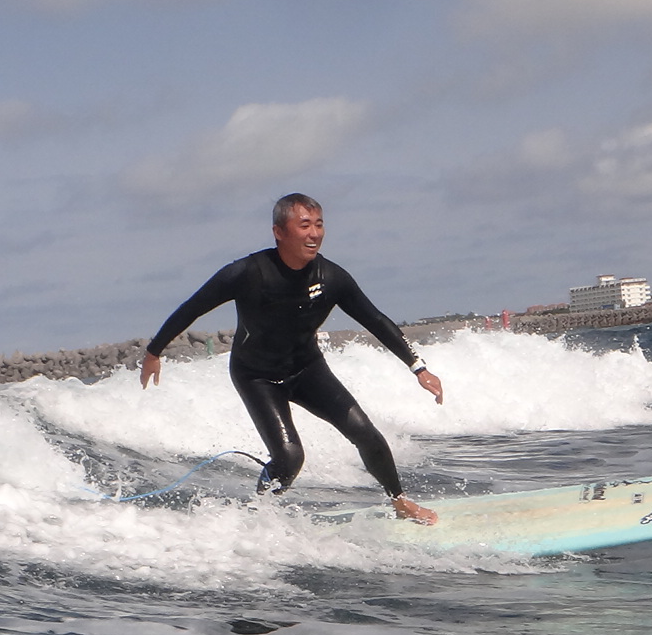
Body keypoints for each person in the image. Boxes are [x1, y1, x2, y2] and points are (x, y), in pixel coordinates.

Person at [139, 193, 444, 524]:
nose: (314, 234)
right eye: (304, 225)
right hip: (256, 376)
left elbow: (376, 320)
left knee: (366, 434)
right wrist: (154, 352)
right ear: (279, 232)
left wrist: (418, 368)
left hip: (306, 369)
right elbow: (191, 308)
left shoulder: (331, 278)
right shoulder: (246, 273)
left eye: (319, 225)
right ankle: (258, 517)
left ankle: (399, 501)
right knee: (289, 457)